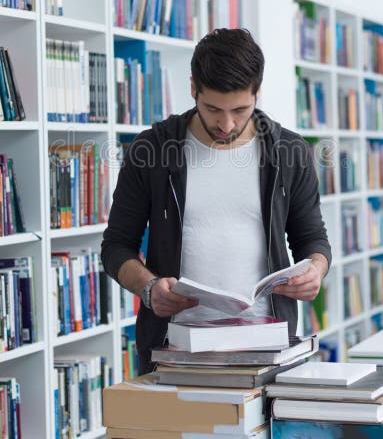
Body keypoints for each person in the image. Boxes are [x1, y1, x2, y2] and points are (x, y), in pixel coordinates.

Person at [101, 28, 331, 374]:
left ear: (257, 92)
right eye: (212, 109)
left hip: (267, 344)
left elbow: (313, 239)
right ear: (193, 88)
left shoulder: (290, 152)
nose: (226, 124)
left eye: (240, 109)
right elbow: (116, 247)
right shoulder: (152, 150)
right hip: (173, 346)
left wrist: (315, 270)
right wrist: (148, 288)